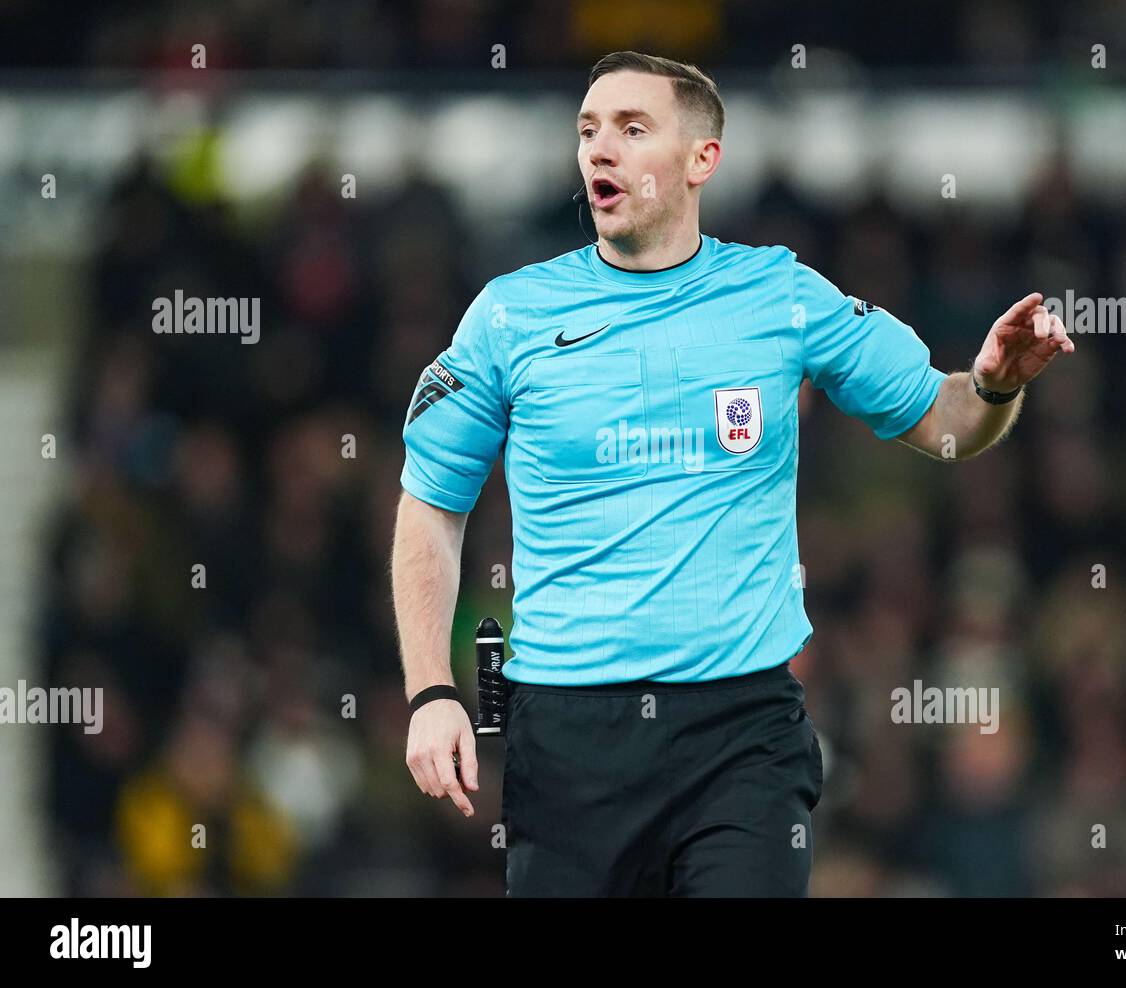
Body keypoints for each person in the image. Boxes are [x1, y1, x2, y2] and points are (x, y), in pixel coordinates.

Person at [391, 51, 1073, 897]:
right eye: (588, 130)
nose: (600, 149)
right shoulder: (509, 315)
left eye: (632, 130)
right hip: (568, 738)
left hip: (739, 735)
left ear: (701, 160)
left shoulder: (779, 296)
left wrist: (997, 382)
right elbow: (429, 507)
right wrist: (432, 692)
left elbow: (947, 420)